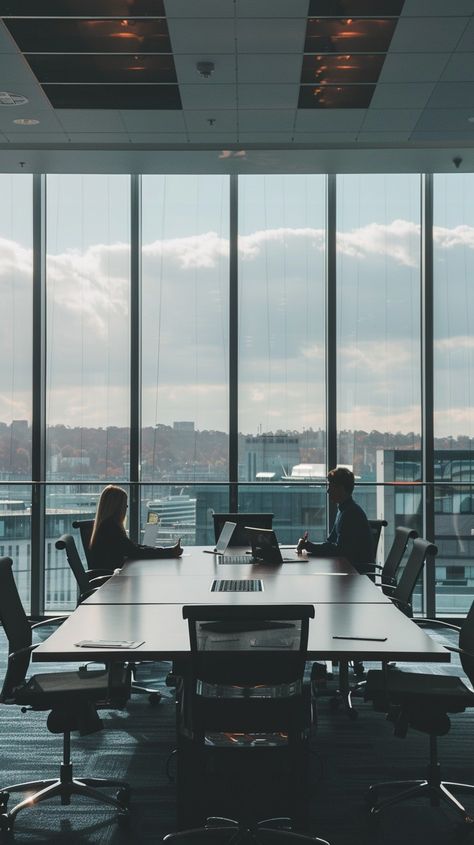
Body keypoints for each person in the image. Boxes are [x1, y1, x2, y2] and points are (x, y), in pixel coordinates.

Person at [296, 467, 374, 574]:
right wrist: (309, 546)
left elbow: (339, 550)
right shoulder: (344, 510)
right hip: (350, 571)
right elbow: (331, 542)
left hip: (356, 575)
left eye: (331, 486)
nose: (328, 491)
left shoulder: (350, 514)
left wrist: (309, 546)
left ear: (341, 489)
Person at [89, 484, 183, 571]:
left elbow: (133, 548)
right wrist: (169, 552)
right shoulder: (110, 528)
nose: (126, 508)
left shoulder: (107, 526)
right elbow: (135, 551)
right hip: (111, 581)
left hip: (113, 577)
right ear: (117, 507)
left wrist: (167, 550)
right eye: (124, 505)